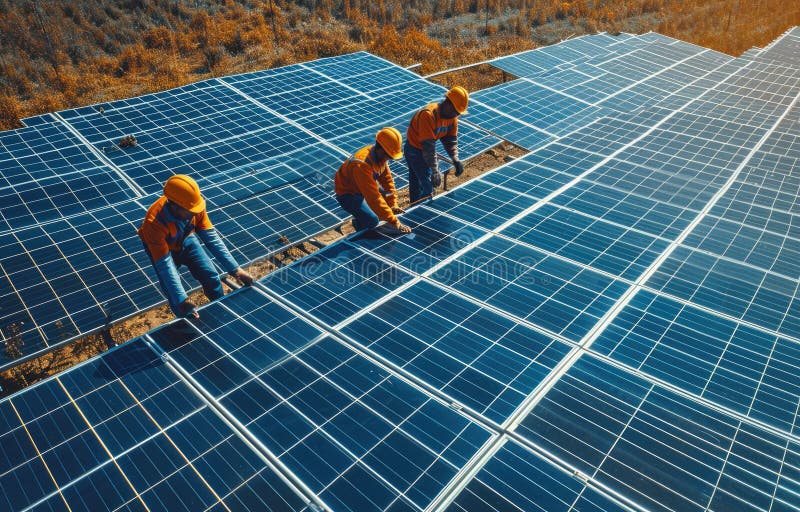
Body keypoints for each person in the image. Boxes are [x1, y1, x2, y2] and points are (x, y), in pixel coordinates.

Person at [139, 174, 253, 318]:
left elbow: (211, 238)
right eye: (190, 210)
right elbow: (166, 266)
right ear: (174, 205)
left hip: (187, 239)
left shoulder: (195, 206)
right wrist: (182, 300)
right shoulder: (153, 223)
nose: (195, 212)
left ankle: (221, 309)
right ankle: (186, 318)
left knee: (211, 275)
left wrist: (236, 270)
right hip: (163, 250)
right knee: (174, 292)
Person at [335, 127, 412, 236]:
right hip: (348, 194)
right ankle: (360, 227)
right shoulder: (361, 164)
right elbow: (374, 198)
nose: (388, 159)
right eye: (388, 156)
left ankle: (361, 220)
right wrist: (394, 222)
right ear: (381, 149)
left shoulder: (380, 157)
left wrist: (392, 203)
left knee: (379, 209)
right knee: (373, 221)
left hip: (362, 188)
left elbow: (387, 182)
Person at [405, 86, 469, 203]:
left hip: (425, 150)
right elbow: (428, 147)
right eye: (455, 111)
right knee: (427, 185)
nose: (456, 115)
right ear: (448, 103)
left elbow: (450, 141)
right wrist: (435, 170)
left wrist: (455, 159)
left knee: (418, 182)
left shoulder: (452, 117)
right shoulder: (428, 115)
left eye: (458, 113)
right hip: (414, 150)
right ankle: (421, 213)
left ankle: (415, 208)